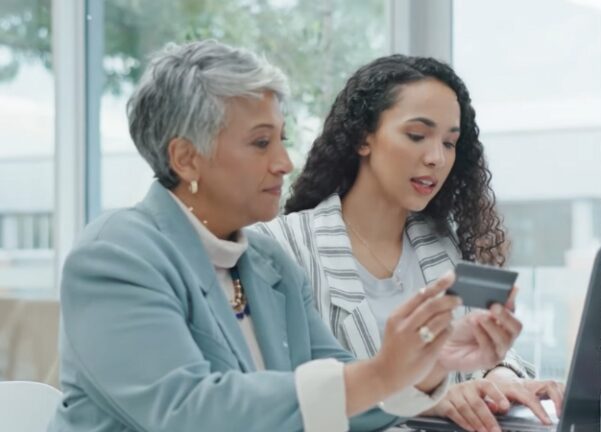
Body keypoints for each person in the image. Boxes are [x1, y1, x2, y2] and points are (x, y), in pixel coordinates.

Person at [48, 41, 521, 432]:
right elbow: (190, 412)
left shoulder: (267, 262)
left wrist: (431, 363)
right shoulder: (116, 256)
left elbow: (345, 398)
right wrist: (380, 373)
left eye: (282, 138)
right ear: (186, 158)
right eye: (260, 142)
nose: (284, 162)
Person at [256, 54, 565, 432]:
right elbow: (282, 396)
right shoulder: (280, 247)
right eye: (416, 136)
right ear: (362, 138)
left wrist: (502, 378)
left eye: (450, 143)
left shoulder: (443, 244)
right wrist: (424, 398)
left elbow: (478, 356)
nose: (436, 158)